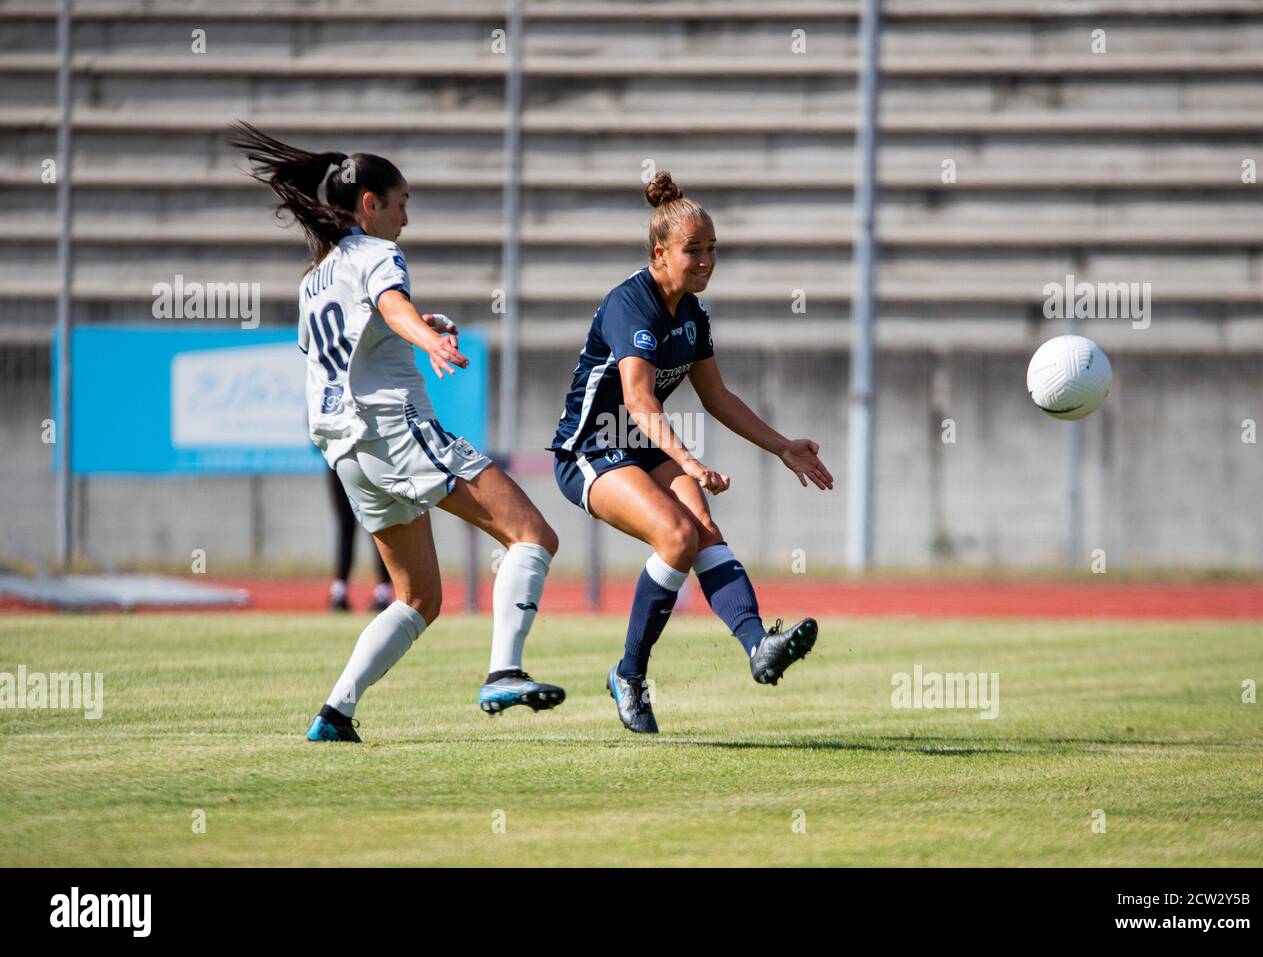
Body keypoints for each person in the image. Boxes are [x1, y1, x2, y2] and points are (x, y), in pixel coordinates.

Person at [230, 121, 565, 742]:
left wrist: (418, 325)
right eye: (402, 203)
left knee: (417, 597)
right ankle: (503, 671)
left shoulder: (313, 280)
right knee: (532, 534)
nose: (406, 219)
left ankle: (334, 714)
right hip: (394, 428)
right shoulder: (380, 254)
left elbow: (354, 335)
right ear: (370, 204)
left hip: (346, 450)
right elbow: (390, 308)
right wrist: (429, 337)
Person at [549, 170, 835, 734]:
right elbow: (635, 399)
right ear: (660, 252)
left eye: (711, 249)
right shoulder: (632, 304)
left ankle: (758, 646)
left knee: (701, 528)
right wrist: (688, 460)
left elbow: (718, 398)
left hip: (643, 442)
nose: (706, 261)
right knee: (676, 536)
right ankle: (629, 676)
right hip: (590, 446)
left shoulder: (692, 315)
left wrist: (782, 447)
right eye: (692, 250)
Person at [326, 466, 394, 612]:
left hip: (365, 463)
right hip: (339, 462)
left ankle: (383, 592)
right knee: (347, 526)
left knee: (376, 525)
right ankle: (340, 591)